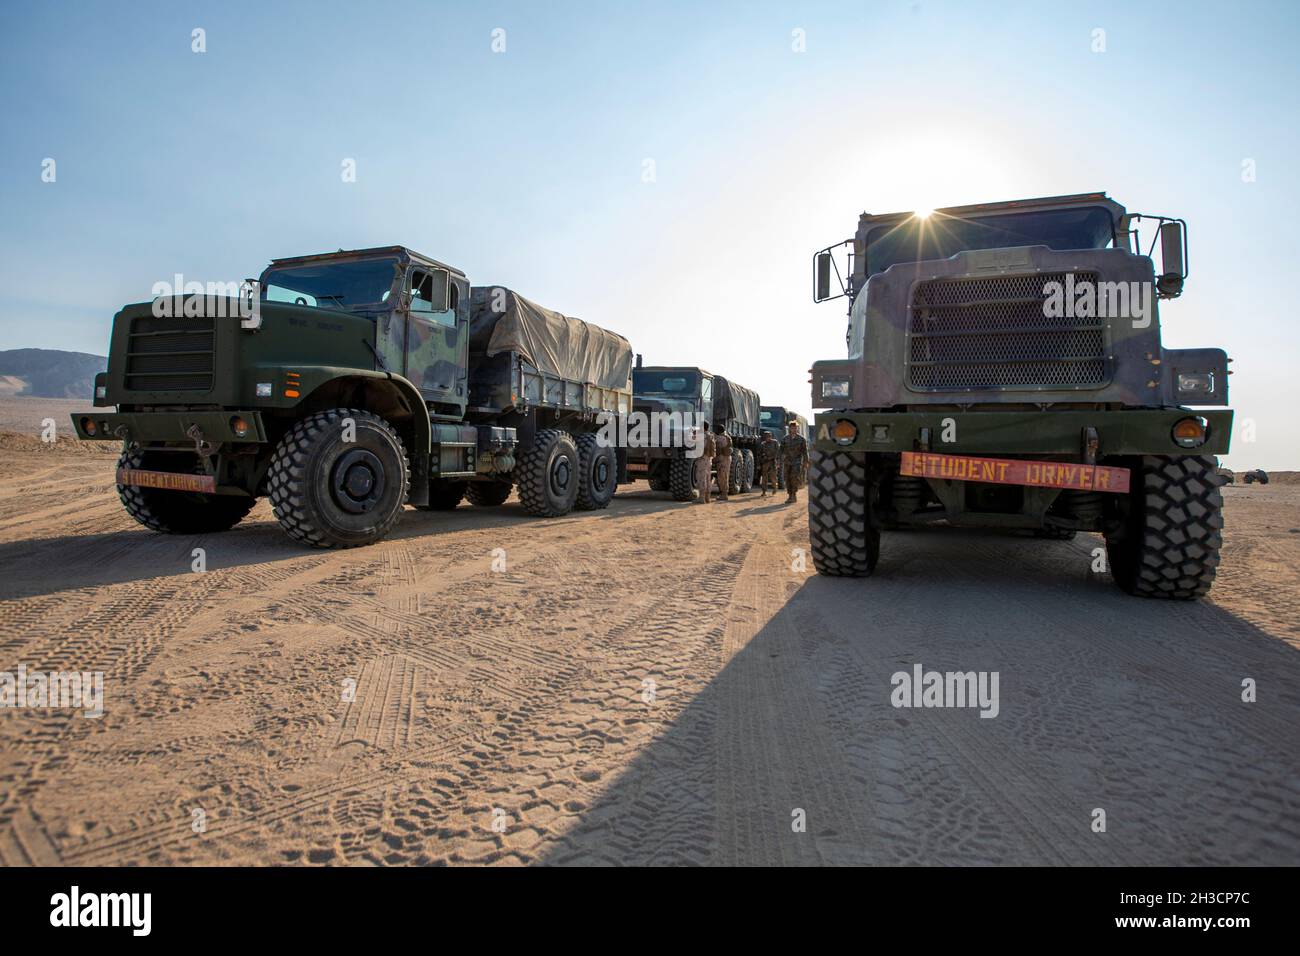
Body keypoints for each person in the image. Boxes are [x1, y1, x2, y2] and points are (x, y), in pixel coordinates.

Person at [779, 420, 808, 504]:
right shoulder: (785, 439)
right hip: (787, 461)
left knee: (794, 478)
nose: (793, 429)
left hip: (797, 461)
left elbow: (805, 451)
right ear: (789, 429)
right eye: (792, 428)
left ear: (797, 428)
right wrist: (778, 460)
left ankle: (793, 495)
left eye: (795, 428)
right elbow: (780, 450)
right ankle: (790, 495)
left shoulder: (801, 439)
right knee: (787, 478)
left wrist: (806, 462)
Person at [694, 424, 717, 503]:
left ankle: (701, 498)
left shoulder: (702, 436)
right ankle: (707, 498)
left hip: (702, 459)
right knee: (708, 478)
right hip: (708, 459)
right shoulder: (710, 435)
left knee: (701, 478)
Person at [714, 424, 733, 501]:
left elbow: (714, 440)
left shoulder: (721, 438)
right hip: (725, 458)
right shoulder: (727, 436)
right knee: (723, 477)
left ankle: (724, 495)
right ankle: (723, 494)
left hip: (723, 459)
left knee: (723, 477)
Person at [757, 432, 779, 497]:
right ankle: (764, 491)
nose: (767, 438)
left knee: (773, 477)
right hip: (765, 463)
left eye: (769, 436)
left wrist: (776, 460)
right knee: (764, 478)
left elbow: (778, 452)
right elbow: (759, 454)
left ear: (771, 436)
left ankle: (774, 488)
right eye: (766, 437)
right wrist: (758, 464)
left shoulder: (775, 443)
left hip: (773, 462)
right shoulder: (763, 444)